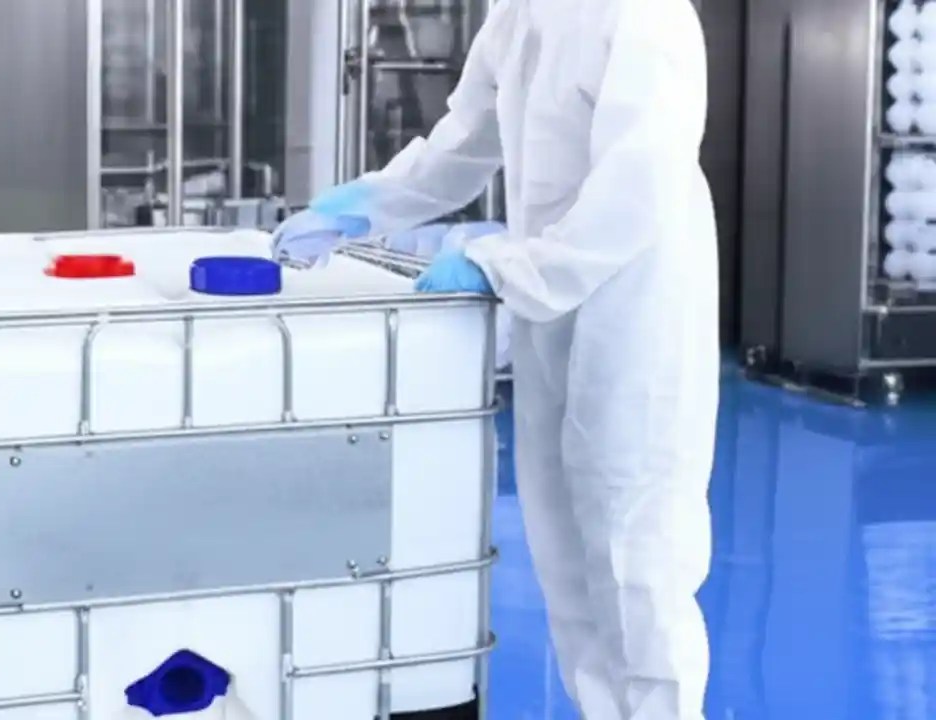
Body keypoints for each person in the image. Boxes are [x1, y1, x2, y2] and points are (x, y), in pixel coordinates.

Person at [272, 0, 719, 718]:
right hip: (549, 292)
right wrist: (363, 205)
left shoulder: (646, 16)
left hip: (637, 297)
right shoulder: (520, 13)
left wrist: (512, 270)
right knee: (564, 540)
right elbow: (466, 142)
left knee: (638, 544)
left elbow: (638, 190)